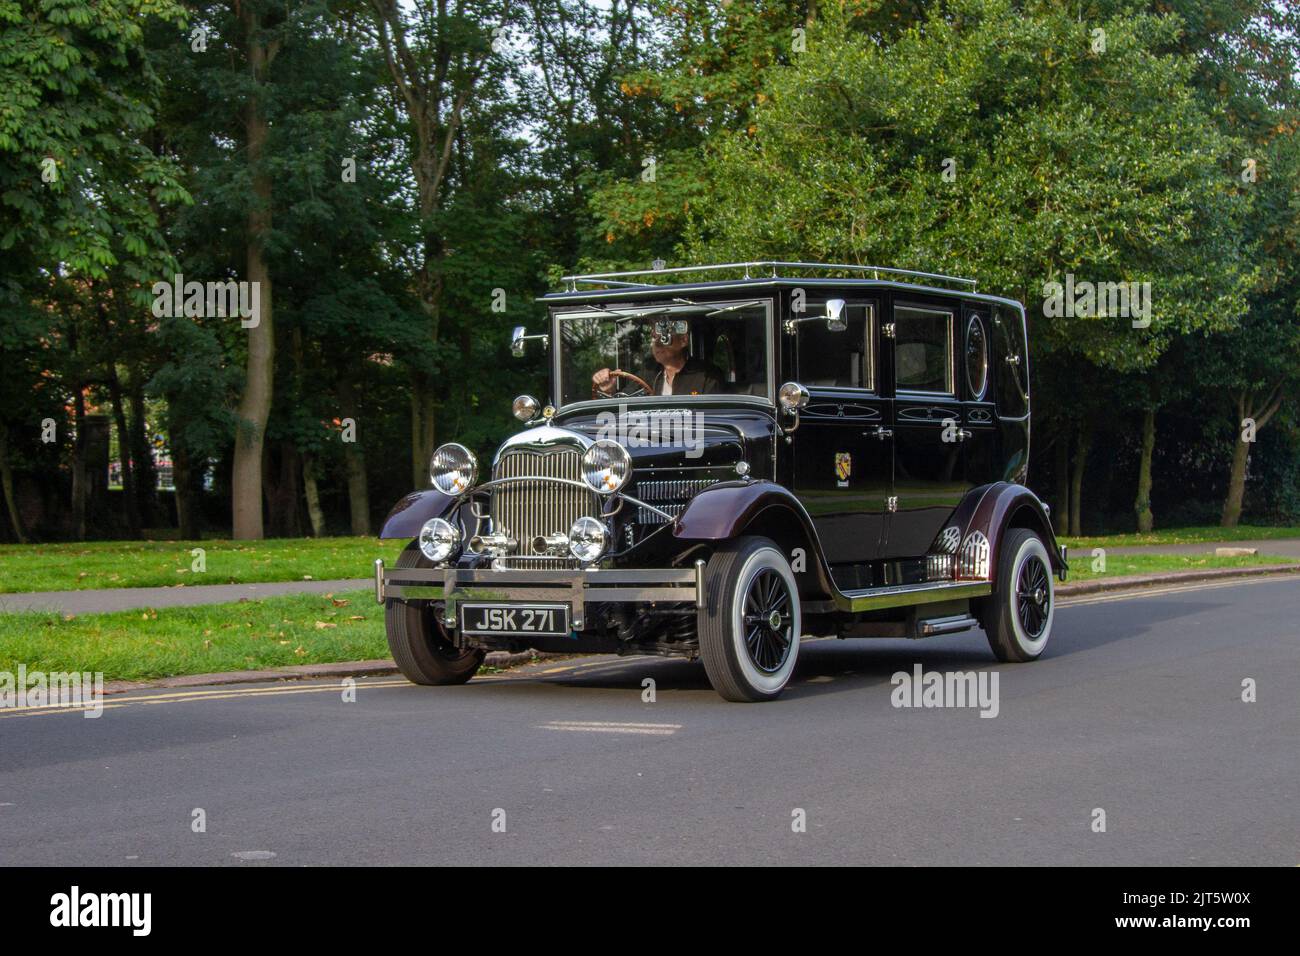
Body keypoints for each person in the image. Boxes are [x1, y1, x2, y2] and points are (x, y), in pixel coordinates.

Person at [592, 325, 723, 396]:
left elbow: (713, 416)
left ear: (683, 340)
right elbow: (625, 403)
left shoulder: (707, 375)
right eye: (654, 338)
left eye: (664, 338)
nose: (656, 344)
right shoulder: (648, 373)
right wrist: (609, 389)